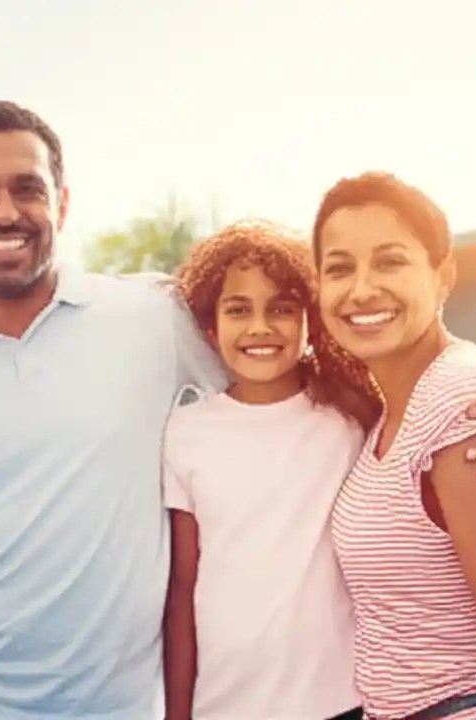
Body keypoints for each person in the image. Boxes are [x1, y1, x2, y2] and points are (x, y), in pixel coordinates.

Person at [0, 100, 476, 720]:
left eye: (28, 188)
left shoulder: (149, 317)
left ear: (62, 204)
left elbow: (335, 361)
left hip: (120, 709)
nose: (5, 212)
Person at [315, 172, 476, 720]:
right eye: (339, 268)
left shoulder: (464, 402)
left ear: (443, 277)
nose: (362, 289)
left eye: (390, 262)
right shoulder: (389, 408)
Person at [161, 220, 377, 720]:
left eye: (281, 308)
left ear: (309, 323)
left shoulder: (349, 422)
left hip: (342, 702)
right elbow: (183, 588)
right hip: (225, 705)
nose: (260, 326)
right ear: (211, 329)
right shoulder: (185, 433)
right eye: (238, 310)